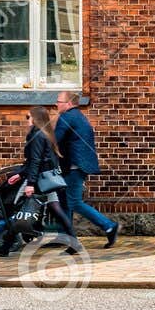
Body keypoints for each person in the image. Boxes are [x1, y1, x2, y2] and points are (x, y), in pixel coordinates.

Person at [0, 106, 78, 257]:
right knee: (57, 211)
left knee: (18, 208)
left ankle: (6, 246)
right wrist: (20, 174)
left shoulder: (37, 135)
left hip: (38, 181)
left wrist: (30, 183)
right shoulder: (46, 134)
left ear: (36, 118)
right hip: (47, 181)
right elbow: (39, 160)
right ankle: (74, 244)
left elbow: (36, 161)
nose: (27, 120)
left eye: (28, 117)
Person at [53, 91, 119, 248]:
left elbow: (54, 140)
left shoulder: (66, 117)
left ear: (69, 103)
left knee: (74, 202)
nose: (56, 104)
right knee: (65, 202)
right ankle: (66, 237)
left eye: (59, 101)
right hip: (79, 165)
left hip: (73, 166)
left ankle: (108, 226)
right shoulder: (79, 116)